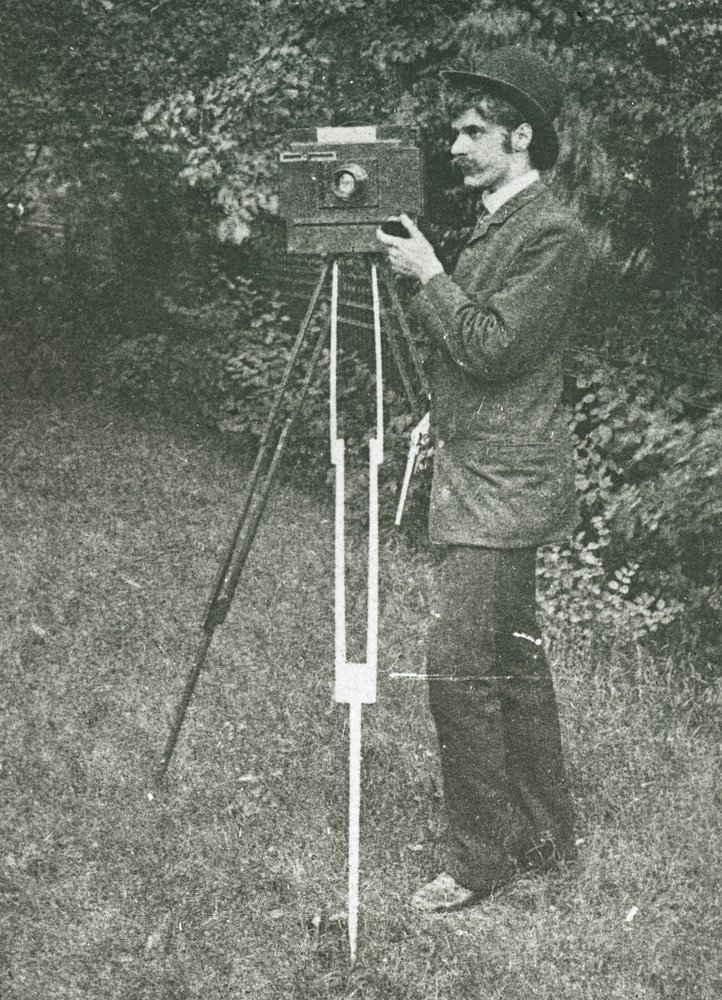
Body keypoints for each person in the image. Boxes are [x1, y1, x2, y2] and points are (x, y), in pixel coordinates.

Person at [376, 46, 593, 912]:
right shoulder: (500, 221)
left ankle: (479, 862)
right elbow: (478, 355)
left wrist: (430, 275)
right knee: (509, 665)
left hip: (502, 491)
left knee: (459, 669)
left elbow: (494, 346)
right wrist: (442, 410)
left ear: (521, 136)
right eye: (457, 132)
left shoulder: (552, 233)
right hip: (484, 474)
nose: (457, 146)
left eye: (473, 132)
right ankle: (544, 840)